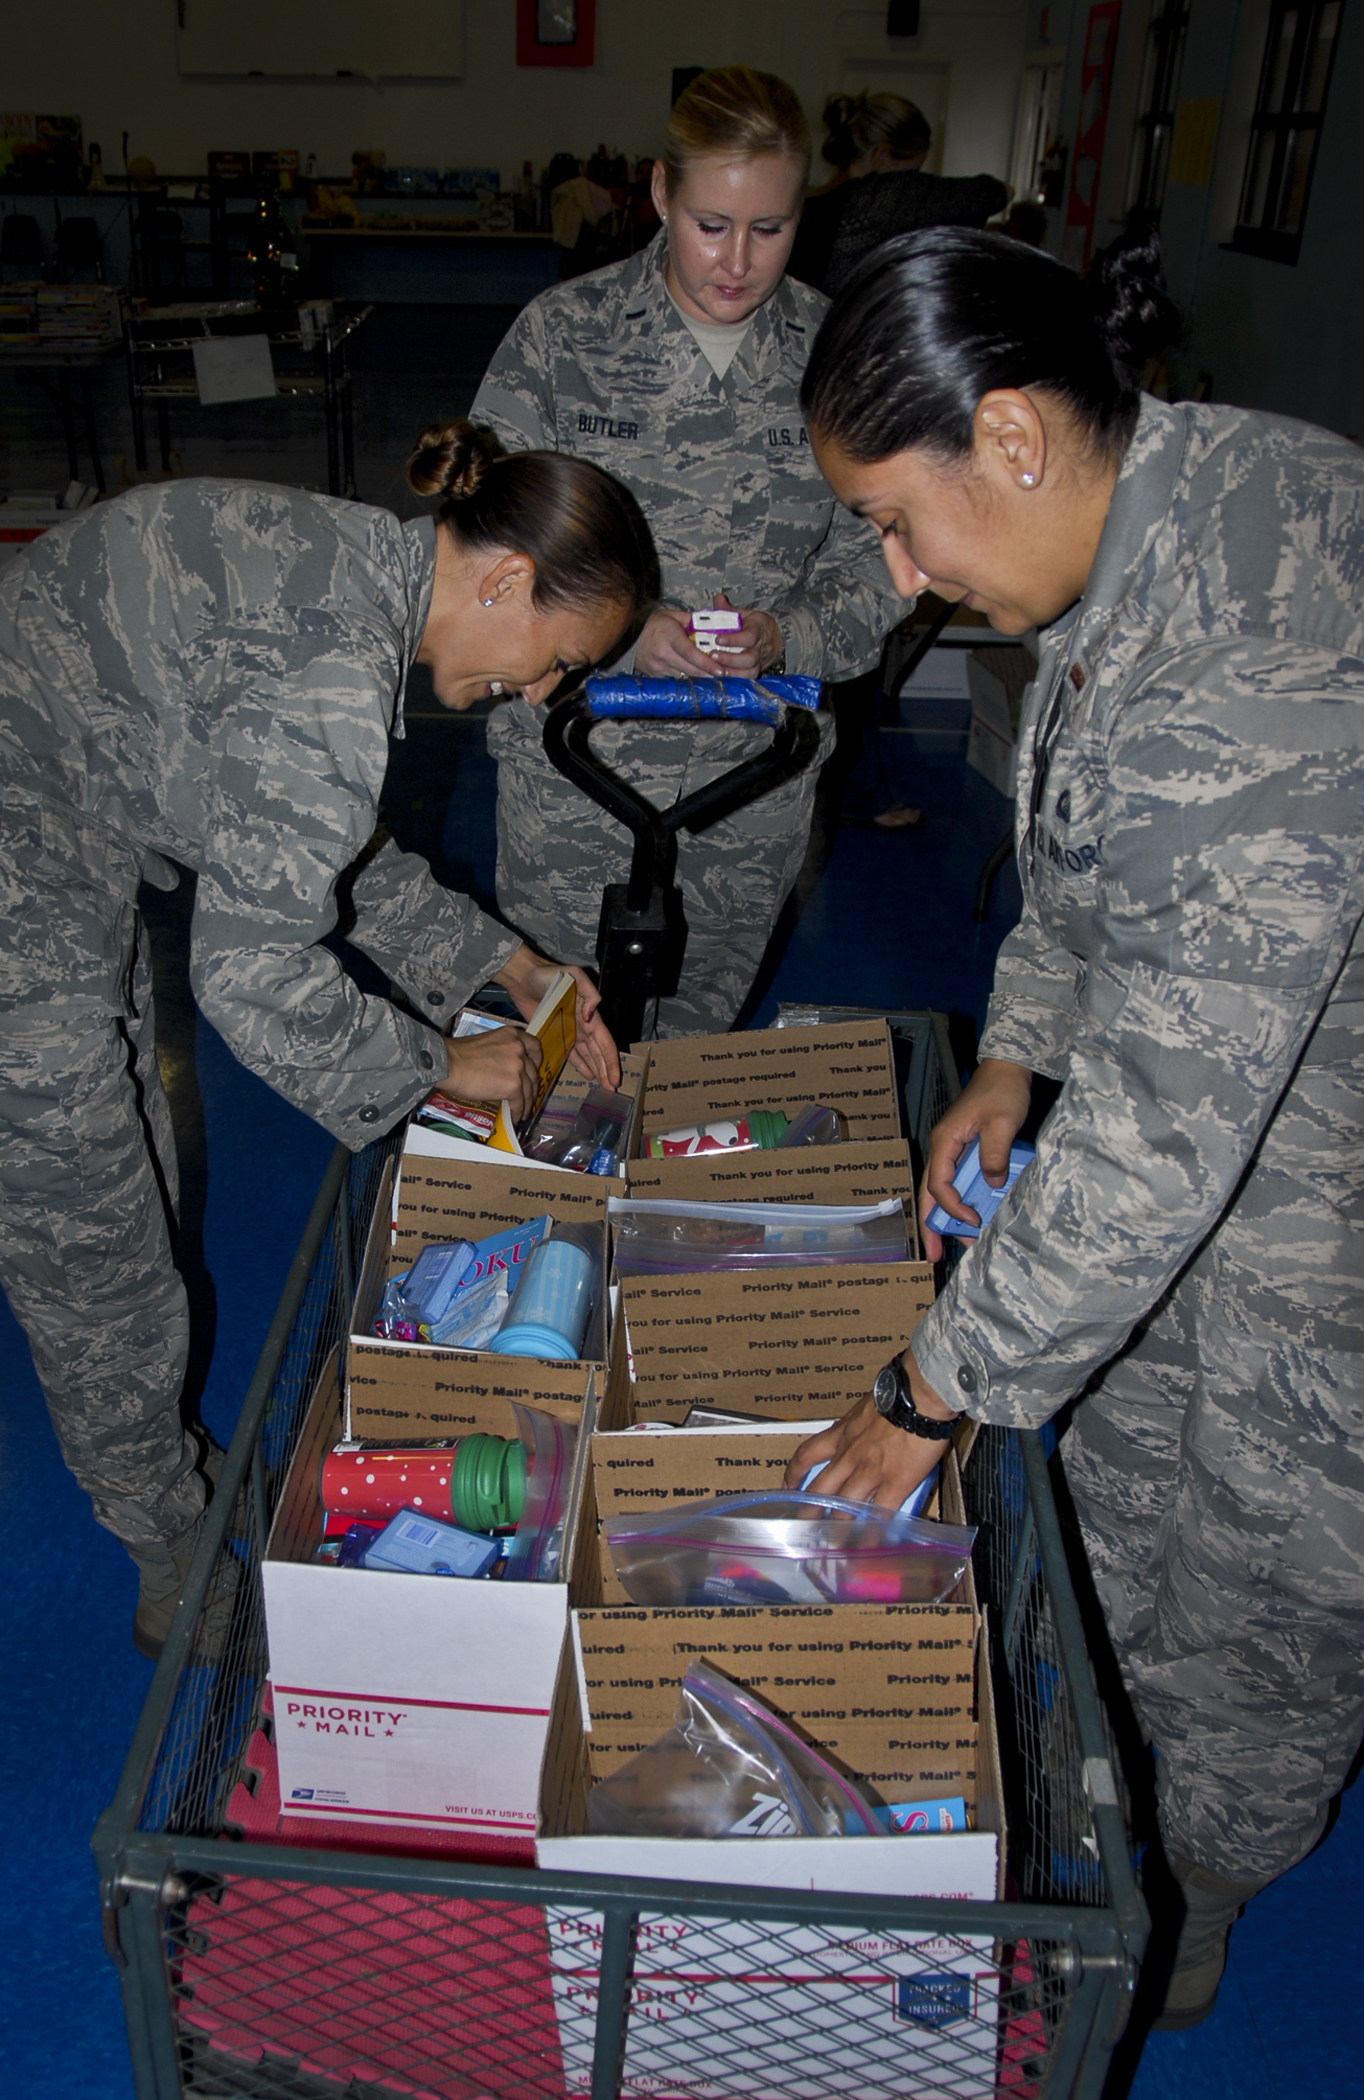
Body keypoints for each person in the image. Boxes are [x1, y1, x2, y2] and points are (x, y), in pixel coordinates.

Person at [789, 223, 1364, 2029]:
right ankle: (1111, 1808)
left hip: (1320, 1207)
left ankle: (1191, 1902)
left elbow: (1158, 1153)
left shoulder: (1261, 658)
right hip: (1198, 1099)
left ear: (1014, 438)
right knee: (1111, 1489)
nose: (897, 576)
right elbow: (1092, 862)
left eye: (898, 519)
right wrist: (1017, 1048)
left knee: (1268, 1583)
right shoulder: (1137, 520)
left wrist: (921, 1388)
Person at [0, 420, 656, 1658]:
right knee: (92, 1230)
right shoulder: (336, 671)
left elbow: (321, 847)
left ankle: (159, 1458)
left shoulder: (361, 571)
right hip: (22, 822)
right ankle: (167, 1555)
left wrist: (503, 962)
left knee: (142, 1150)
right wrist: (437, 1065)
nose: (540, 692)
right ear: (506, 581)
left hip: (63, 795)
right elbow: (250, 976)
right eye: (555, 660)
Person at [471, 64, 907, 1037]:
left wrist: (788, 633)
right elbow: (486, 556)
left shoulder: (837, 357)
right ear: (660, 194)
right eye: (710, 223)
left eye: (770, 228)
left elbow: (884, 564)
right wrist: (622, 632)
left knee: (692, 1045)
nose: (735, 262)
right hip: (574, 760)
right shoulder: (561, 339)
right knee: (560, 1042)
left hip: (749, 778)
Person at [788, 92, 1007, 298]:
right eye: (911, 174)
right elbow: (995, 192)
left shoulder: (809, 201)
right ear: (881, 155)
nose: (914, 185)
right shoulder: (876, 200)